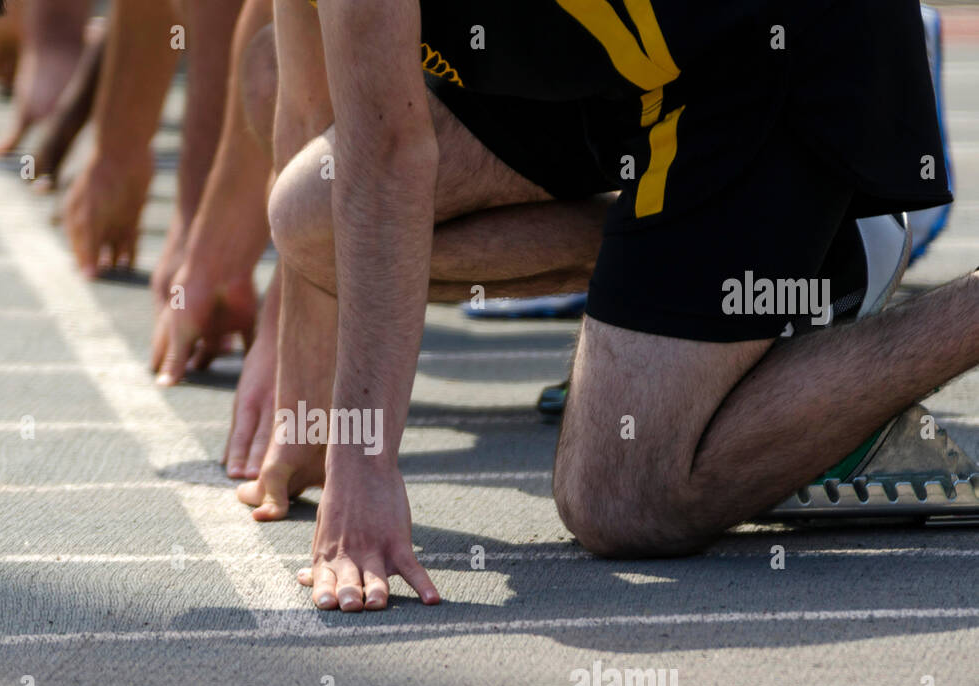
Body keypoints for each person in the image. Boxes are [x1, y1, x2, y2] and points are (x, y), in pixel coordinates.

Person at [250, 0, 971, 612]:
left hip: (751, 49)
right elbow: (312, 107)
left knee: (622, 496)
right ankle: (776, 271)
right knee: (309, 215)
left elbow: (387, 157)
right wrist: (305, 410)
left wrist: (364, 466)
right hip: (612, 59)